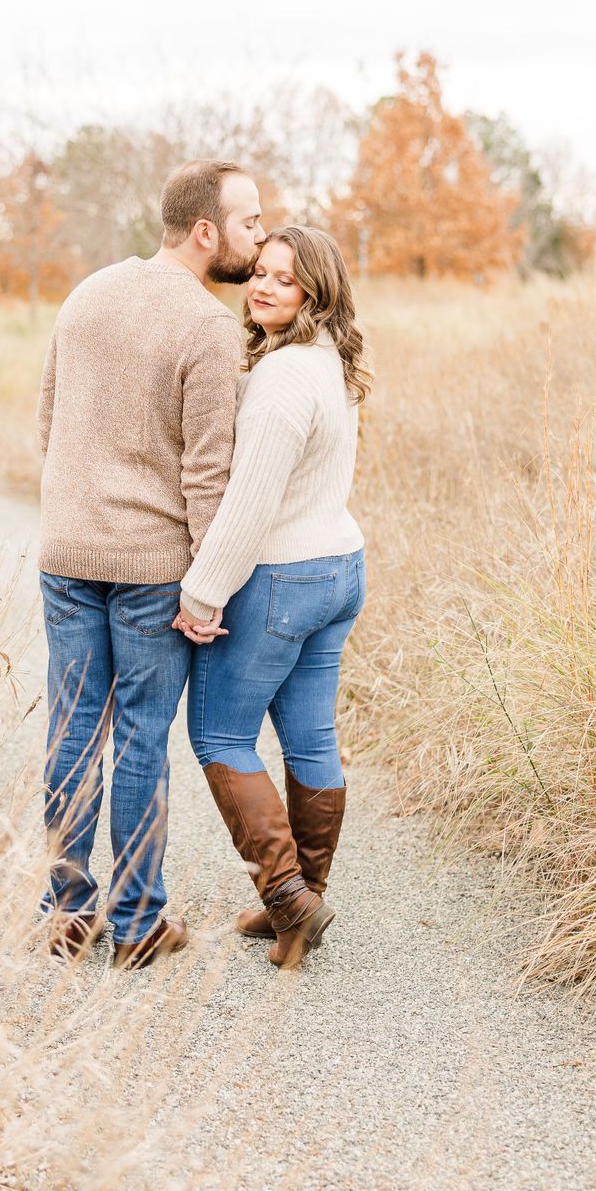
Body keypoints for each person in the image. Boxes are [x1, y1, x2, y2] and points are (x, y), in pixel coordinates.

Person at [35, 160, 265, 968]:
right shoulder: (206, 325)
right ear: (206, 231)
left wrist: (75, 510)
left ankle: (64, 913)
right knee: (137, 737)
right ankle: (135, 926)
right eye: (249, 223)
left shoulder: (86, 293)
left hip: (65, 553)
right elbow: (209, 474)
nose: (260, 238)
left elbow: (48, 426)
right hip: (149, 568)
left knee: (72, 730)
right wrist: (209, 586)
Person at [175, 226, 371, 969]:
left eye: (284, 280)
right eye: (258, 272)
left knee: (221, 735)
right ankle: (301, 905)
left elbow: (251, 508)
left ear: (314, 292)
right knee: (311, 738)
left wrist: (201, 595)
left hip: (287, 575)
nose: (262, 287)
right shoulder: (326, 362)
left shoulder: (284, 381)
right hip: (339, 569)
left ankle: (290, 897)